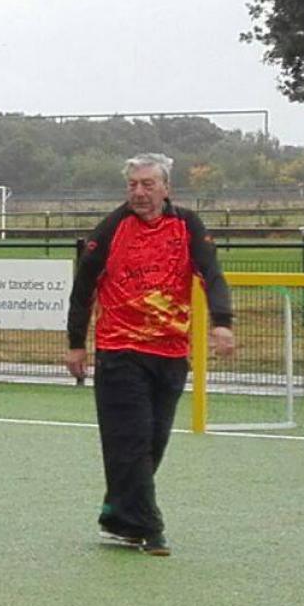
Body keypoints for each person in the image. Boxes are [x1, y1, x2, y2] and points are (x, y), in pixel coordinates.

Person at [65, 153, 234, 556]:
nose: (139, 193)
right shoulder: (110, 229)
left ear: (166, 188)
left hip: (172, 351)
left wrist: (222, 321)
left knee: (152, 441)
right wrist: (76, 343)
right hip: (120, 350)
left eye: (147, 184)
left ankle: (117, 515)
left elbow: (211, 272)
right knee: (132, 441)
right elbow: (84, 285)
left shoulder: (187, 224)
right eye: (133, 185)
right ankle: (149, 528)